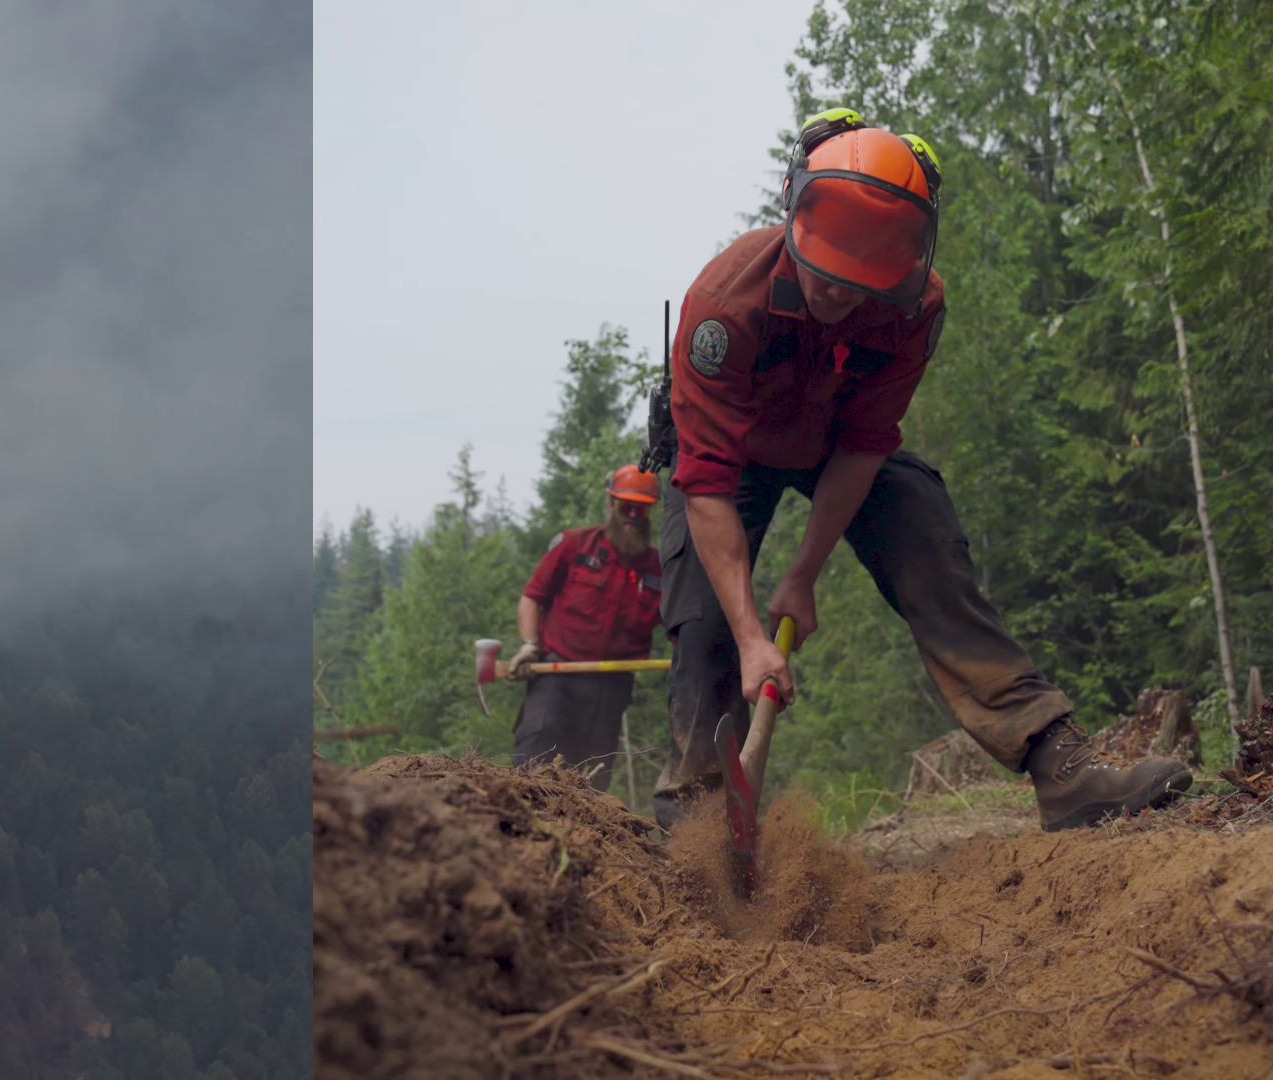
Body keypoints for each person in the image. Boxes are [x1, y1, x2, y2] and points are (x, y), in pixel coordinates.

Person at [649, 108, 1192, 833]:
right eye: (827, 276)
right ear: (794, 216)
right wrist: (754, 637)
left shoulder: (913, 305)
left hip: (836, 445)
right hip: (731, 459)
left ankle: (1061, 767)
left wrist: (803, 574)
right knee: (706, 614)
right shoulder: (723, 307)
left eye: (861, 282)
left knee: (924, 538)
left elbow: (866, 443)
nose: (841, 297)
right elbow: (709, 483)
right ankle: (698, 820)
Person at [509, 464, 665, 791]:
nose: (633, 516)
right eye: (626, 507)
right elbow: (530, 597)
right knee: (534, 756)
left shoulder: (659, 569)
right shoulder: (572, 545)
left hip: (612, 686)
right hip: (555, 673)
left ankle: (579, 841)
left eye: (642, 509)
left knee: (590, 781)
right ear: (610, 505)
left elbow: (678, 624)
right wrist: (529, 644)